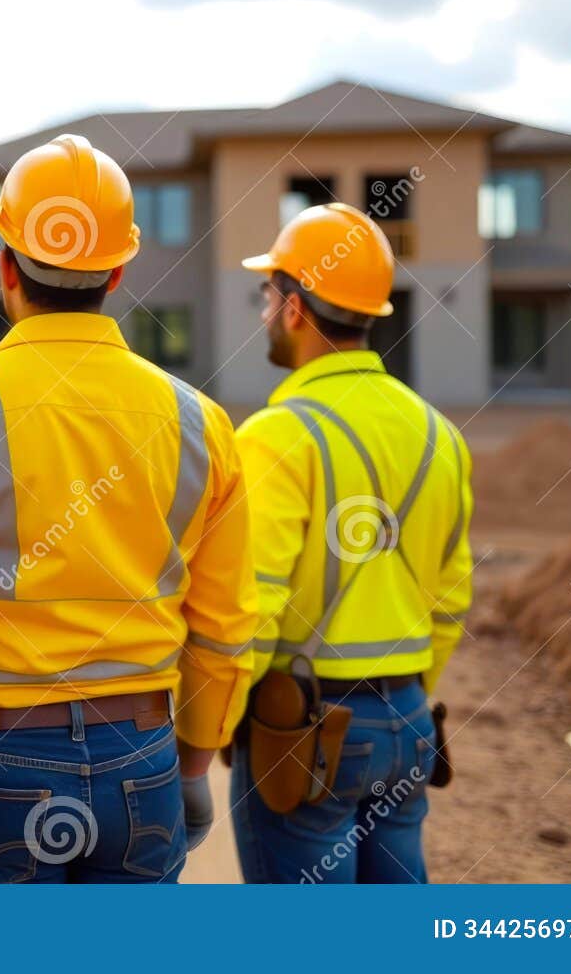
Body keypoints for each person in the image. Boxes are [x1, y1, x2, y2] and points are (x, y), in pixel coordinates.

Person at [0, 134, 258, 883]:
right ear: (117, 270)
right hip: (140, 758)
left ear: (5, 265)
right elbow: (225, 621)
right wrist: (194, 761)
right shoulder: (201, 422)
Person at [231, 202, 474, 884]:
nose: (263, 312)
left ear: (296, 308)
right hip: (409, 717)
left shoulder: (277, 437)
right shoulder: (440, 435)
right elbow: (452, 595)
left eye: (268, 294)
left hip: (304, 730)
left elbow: (252, 609)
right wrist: (407, 696)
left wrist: (209, 732)